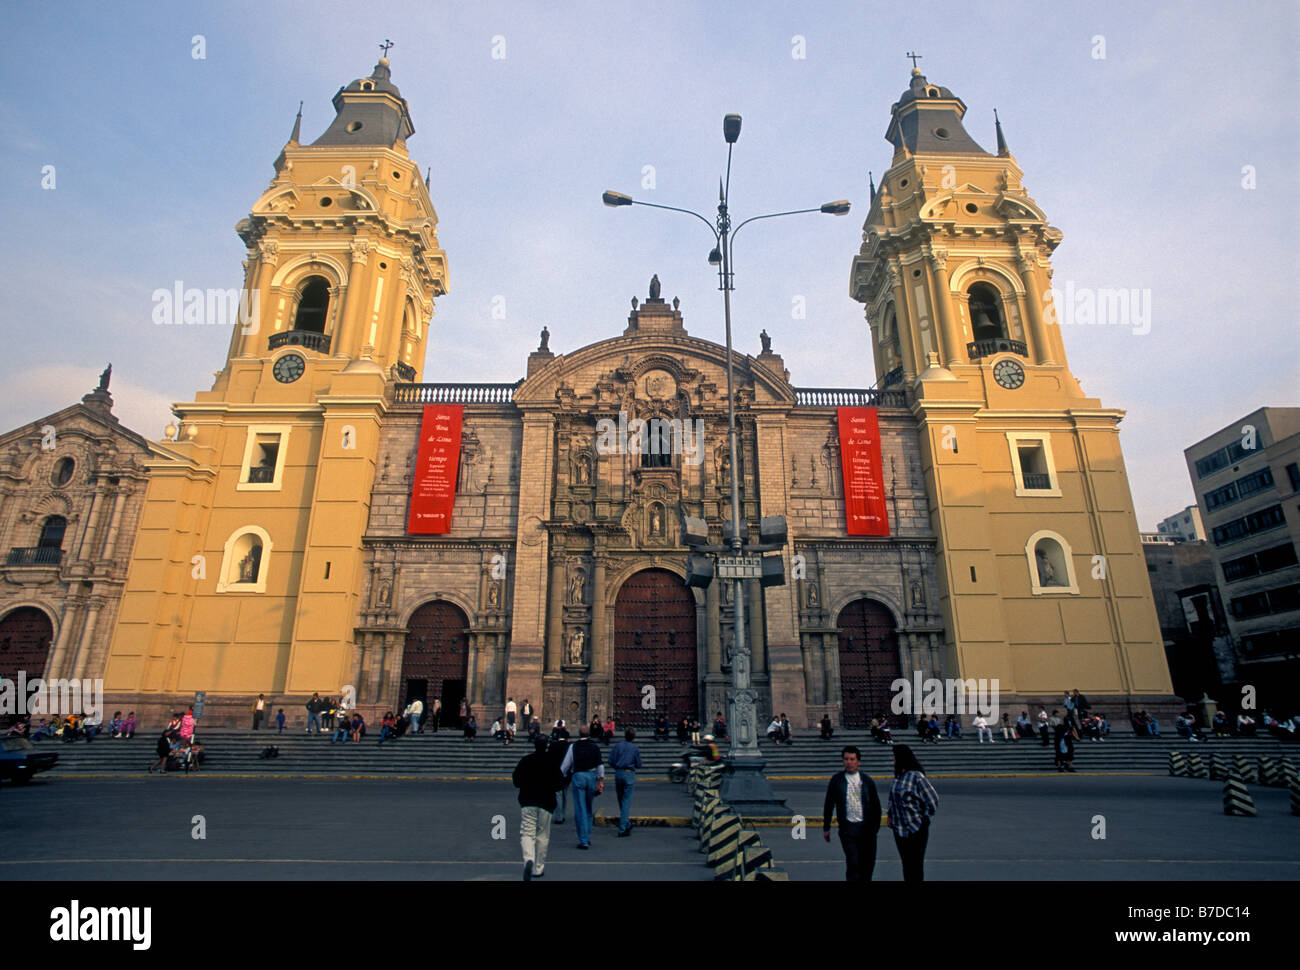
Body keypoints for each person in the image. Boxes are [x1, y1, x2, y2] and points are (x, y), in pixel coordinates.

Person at [822, 745, 882, 881]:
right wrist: (826, 827)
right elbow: (829, 804)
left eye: (852, 759)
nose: (849, 762)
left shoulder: (867, 781)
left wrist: (874, 829)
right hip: (848, 829)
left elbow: (876, 806)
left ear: (858, 762)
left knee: (867, 865)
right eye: (846, 759)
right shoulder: (837, 781)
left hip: (866, 829)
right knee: (853, 862)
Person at [514, 736, 566, 880]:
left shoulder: (526, 760)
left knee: (527, 833)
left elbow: (516, 780)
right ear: (547, 746)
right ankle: (538, 868)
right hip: (546, 803)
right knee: (542, 835)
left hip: (528, 801)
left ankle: (528, 859)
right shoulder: (552, 762)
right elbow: (560, 784)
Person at [887, 744, 939, 882]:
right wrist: (890, 816)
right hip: (899, 829)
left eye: (894, 756)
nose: (893, 759)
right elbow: (892, 799)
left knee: (915, 865)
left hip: (916, 828)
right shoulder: (898, 777)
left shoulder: (916, 777)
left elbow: (933, 799)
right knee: (906, 865)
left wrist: (924, 817)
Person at [561, 727, 605, 849]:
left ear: (579, 734)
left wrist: (562, 776)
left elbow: (565, 765)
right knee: (589, 808)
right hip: (591, 777)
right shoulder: (595, 747)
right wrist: (600, 780)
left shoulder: (573, 747)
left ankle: (583, 840)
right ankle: (588, 835)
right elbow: (600, 765)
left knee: (580, 808)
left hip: (578, 776)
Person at [608, 727, 642, 837]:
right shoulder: (634, 748)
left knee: (621, 799)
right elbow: (639, 764)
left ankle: (626, 823)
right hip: (629, 774)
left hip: (618, 773)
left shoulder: (617, 746)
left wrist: (617, 768)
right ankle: (622, 828)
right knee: (626, 801)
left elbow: (610, 761)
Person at [547, 729, 571, 825]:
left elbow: (549, 759)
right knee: (564, 794)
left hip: (555, 772)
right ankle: (563, 814)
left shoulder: (553, 745)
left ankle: (559, 816)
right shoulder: (569, 746)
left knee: (558, 794)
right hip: (566, 774)